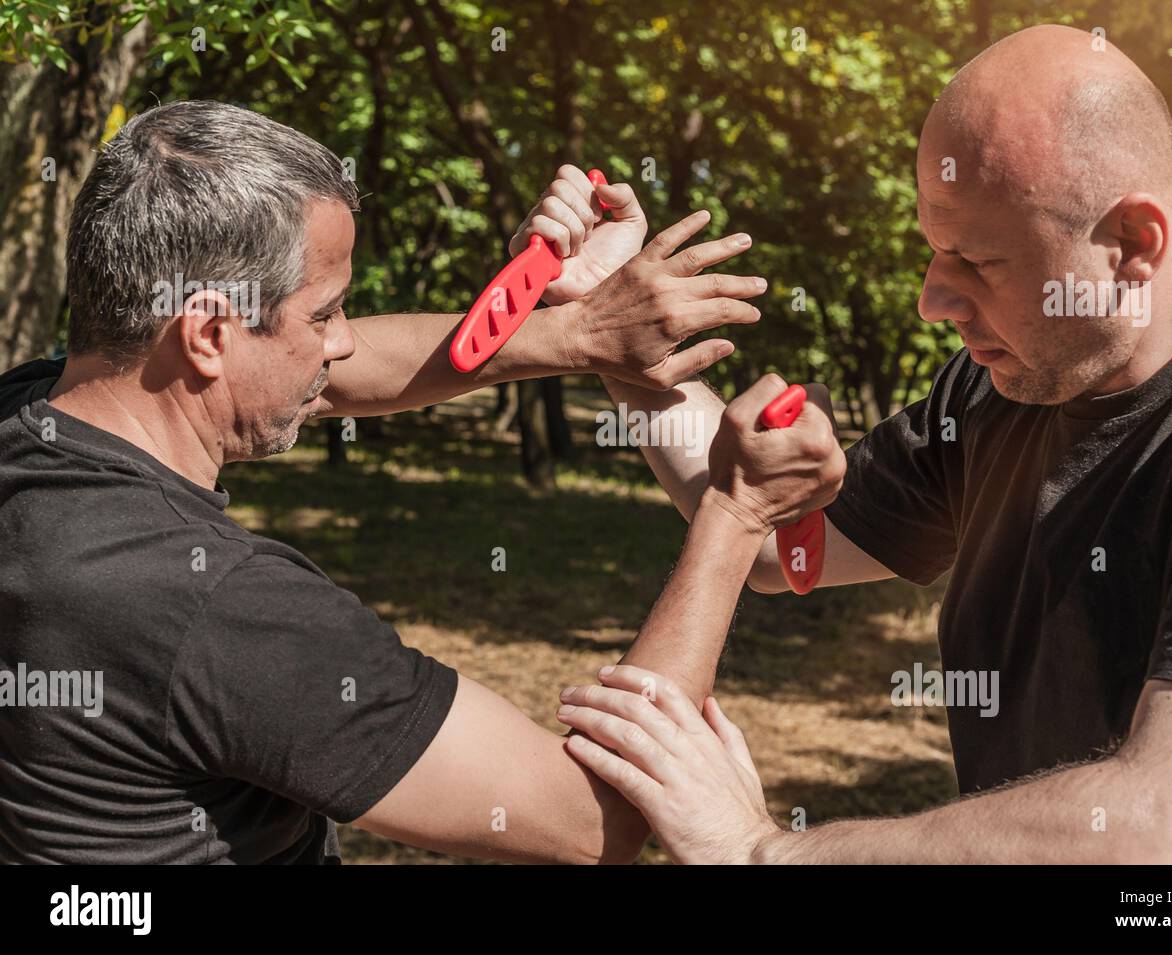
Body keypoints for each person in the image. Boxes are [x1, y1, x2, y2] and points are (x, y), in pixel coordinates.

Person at [0, 99, 844, 863]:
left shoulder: (33, 421)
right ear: (210, 335)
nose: (342, 344)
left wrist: (580, 331)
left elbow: (331, 376)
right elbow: (595, 819)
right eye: (326, 313)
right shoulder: (222, 612)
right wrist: (735, 512)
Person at [572, 24, 1172, 863]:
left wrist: (767, 852)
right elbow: (782, 543)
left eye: (976, 260)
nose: (931, 300)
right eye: (931, 250)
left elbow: (1162, 827)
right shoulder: (1004, 383)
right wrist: (609, 336)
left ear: (1135, 243)